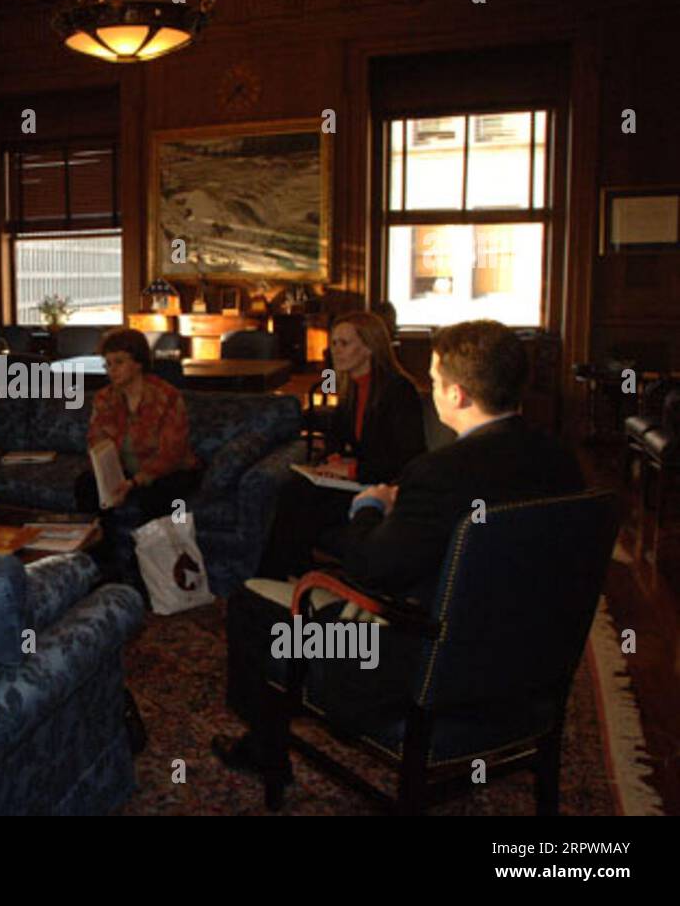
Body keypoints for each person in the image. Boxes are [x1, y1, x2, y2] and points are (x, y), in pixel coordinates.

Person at [216, 319, 585, 777]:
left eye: (434, 381)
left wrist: (369, 507)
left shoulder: (440, 474)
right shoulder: (562, 462)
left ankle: (265, 749)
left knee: (252, 608)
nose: (430, 391)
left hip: (412, 663)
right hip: (529, 665)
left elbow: (372, 571)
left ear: (459, 395)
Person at [255, 311, 426, 579]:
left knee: (300, 502)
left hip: (381, 485)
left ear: (369, 348)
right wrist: (330, 461)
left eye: (344, 344)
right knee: (293, 490)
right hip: (355, 480)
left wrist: (352, 470)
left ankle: (278, 578)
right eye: (333, 343)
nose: (335, 351)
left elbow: (408, 459)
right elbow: (338, 440)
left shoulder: (398, 391)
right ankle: (284, 576)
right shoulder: (351, 388)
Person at [75, 327, 200, 520]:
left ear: (138, 363)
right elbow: (96, 440)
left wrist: (135, 482)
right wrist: (107, 477)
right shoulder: (104, 398)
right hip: (124, 470)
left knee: (155, 496)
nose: (111, 370)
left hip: (168, 470)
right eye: (107, 364)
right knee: (86, 485)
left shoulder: (167, 397)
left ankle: (152, 550)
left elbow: (171, 453)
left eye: (119, 362)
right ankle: (100, 547)